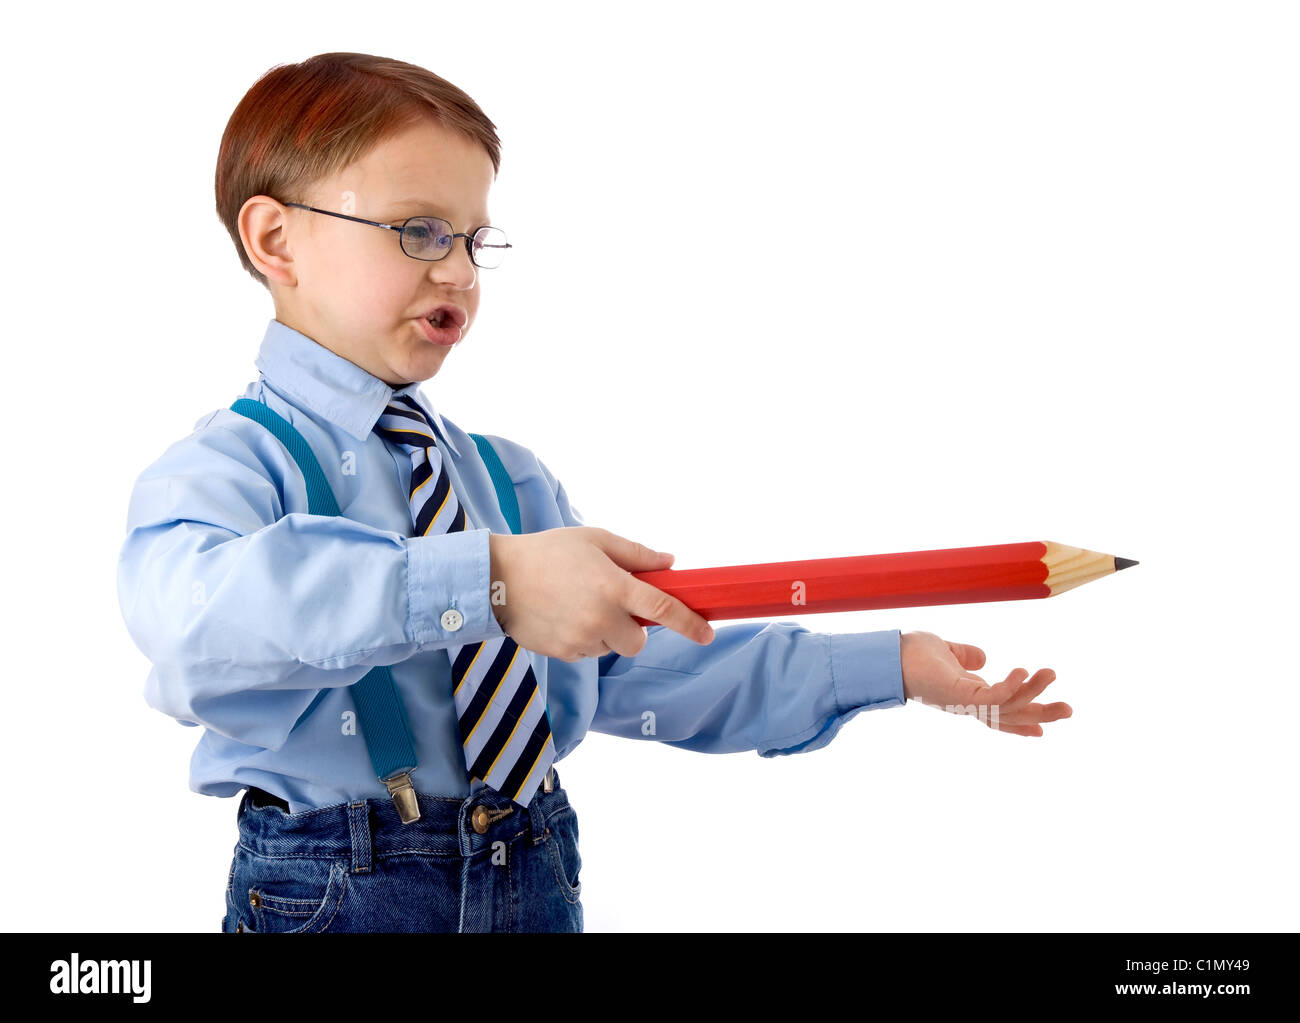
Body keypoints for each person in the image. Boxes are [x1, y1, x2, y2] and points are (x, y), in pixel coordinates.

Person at [116, 51, 1071, 934]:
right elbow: (203, 624)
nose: (456, 269)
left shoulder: (508, 479)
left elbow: (631, 668)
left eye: (472, 239)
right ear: (276, 239)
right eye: (417, 231)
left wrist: (891, 663)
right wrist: (484, 580)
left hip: (533, 865)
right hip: (342, 889)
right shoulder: (231, 469)